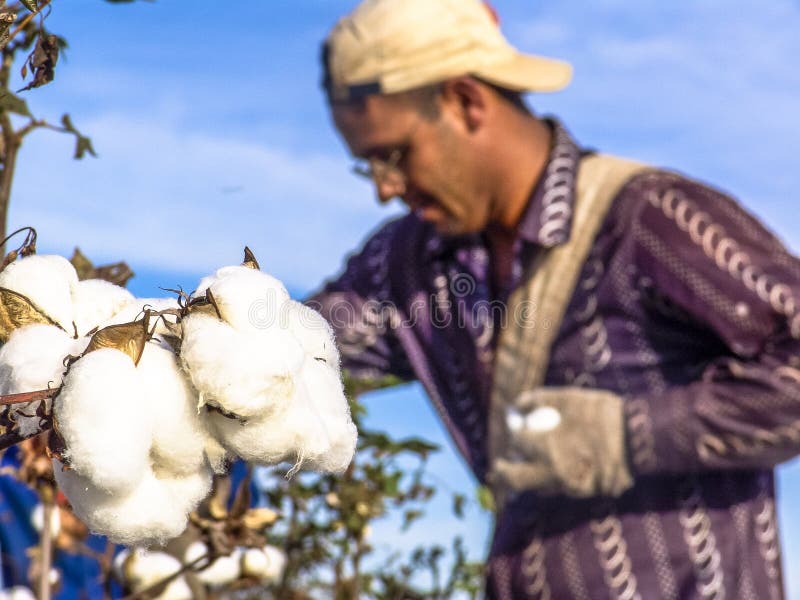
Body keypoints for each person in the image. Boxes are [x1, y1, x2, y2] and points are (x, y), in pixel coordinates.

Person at [308, 0, 800, 597]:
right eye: (368, 168)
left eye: (394, 155)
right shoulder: (407, 263)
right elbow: (300, 350)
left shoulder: (650, 220)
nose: (386, 189)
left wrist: (626, 435)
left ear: (466, 102)